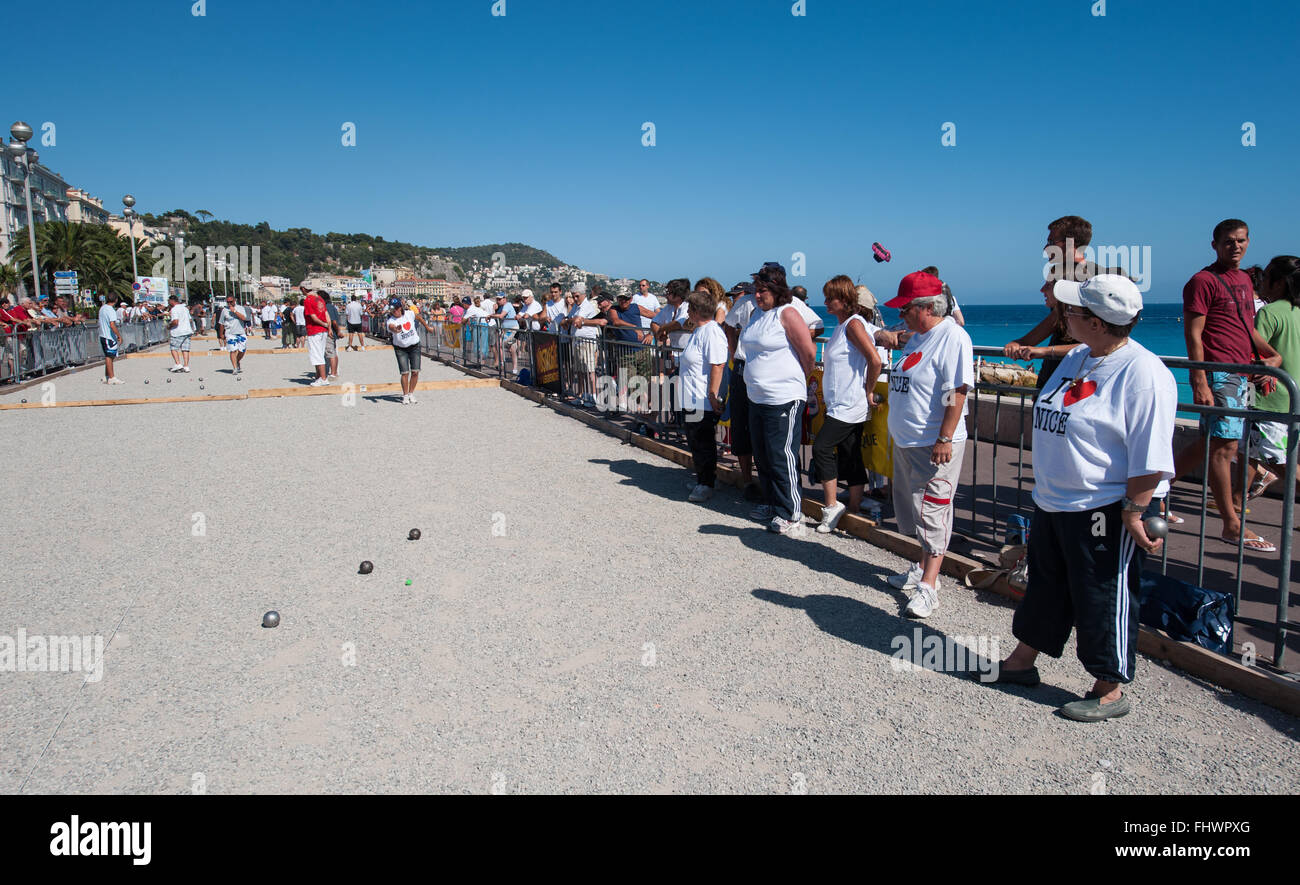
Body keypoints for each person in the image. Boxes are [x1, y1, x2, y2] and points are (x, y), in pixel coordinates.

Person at [985, 275, 1177, 722]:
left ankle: (1109, 686)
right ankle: (1021, 661)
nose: (1062, 315)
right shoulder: (1077, 355)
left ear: (1094, 321)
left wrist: (1135, 510)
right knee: (1047, 583)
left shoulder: (1144, 374)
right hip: (1055, 499)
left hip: (1104, 504)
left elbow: (1151, 454)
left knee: (1101, 593)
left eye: (1069, 311)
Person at [1171, 219, 1281, 551]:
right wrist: (1199, 379)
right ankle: (1232, 524)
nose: (1236, 246)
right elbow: (1193, 334)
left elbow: (1246, 327)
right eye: (1229, 241)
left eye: (1242, 241)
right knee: (1225, 447)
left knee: (1211, 442)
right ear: (1215, 244)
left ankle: (1153, 491)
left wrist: (1270, 356)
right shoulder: (1202, 281)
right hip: (1219, 373)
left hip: (1242, 372)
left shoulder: (1245, 280)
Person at [882, 271, 974, 618]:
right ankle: (921, 569)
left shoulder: (952, 338)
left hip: (934, 442)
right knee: (915, 511)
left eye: (905, 309)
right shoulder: (918, 337)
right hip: (908, 441)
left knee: (933, 512)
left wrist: (945, 437)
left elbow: (957, 391)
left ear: (926, 307)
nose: (901, 315)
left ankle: (930, 586)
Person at [739, 263, 817, 535]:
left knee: (781, 455)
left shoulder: (787, 313)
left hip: (783, 398)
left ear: (775, 289)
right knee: (763, 454)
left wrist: (795, 381)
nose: (757, 296)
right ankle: (773, 504)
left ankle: (792, 513)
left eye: (762, 291)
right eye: (755, 291)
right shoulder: (756, 316)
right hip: (756, 397)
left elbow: (809, 353)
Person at [813, 276, 884, 533]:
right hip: (843, 403)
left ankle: (832, 506)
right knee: (850, 453)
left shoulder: (853, 324)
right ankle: (853, 507)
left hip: (848, 403)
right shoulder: (846, 325)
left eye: (830, 298)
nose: (825, 303)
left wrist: (868, 390)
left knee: (822, 448)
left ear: (843, 300)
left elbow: (875, 360)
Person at [1003, 217, 1096, 389]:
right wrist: (1020, 342)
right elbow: (1054, 322)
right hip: (1056, 381)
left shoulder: (1088, 281)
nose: (1046, 248)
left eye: (1051, 241)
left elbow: (1095, 343)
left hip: (1071, 384)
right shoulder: (1065, 275)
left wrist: (1042, 351)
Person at [1238, 256, 1300, 505]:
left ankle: (1235, 502)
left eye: (1268, 276)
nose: (1262, 282)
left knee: (1280, 463)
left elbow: (1251, 352)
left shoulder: (1269, 313)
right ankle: (1235, 501)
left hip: (1269, 398)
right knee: (1250, 453)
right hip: (1294, 398)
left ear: (1279, 283)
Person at [679, 289, 728, 503]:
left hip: (702, 399)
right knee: (695, 440)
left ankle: (706, 483)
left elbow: (717, 365)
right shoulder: (699, 331)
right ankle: (704, 478)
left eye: (690, 308)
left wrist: (713, 394)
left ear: (697, 311)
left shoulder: (712, 332)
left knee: (703, 442)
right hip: (691, 397)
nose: (687, 311)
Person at [723, 281, 761, 499]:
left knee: (763, 427)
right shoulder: (745, 303)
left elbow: (816, 326)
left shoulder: (785, 305)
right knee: (741, 425)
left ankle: (765, 482)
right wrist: (734, 350)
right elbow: (729, 327)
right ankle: (748, 481)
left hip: (763, 371)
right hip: (743, 366)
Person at [386, 296, 434, 404]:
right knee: (404, 373)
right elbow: (391, 327)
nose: (394, 311)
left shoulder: (409, 313)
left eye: (396, 309)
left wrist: (427, 327)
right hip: (400, 349)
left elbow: (419, 317)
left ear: (400, 308)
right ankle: (405, 395)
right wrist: (396, 329)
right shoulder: (390, 320)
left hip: (414, 346)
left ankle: (411, 393)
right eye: (392, 310)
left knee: (415, 372)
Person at [562, 283, 603, 406]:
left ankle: (593, 395)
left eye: (577, 296)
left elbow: (576, 320)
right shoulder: (576, 307)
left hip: (587, 341)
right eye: (573, 296)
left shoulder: (586, 306)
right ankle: (581, 394)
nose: (574, 299)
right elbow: (568, 319)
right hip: (577, 341)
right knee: (580, 371)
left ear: (583, 295)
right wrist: (569, 320)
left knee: (590, 370)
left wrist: (569, 321)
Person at [303, 288, 331, 386]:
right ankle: (320, 377)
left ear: (304, 289)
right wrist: (328, 327)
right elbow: (327, 314)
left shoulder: (308, 300)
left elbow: (313, 317)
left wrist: (324, 324)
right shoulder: (320, 299)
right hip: (323, 331)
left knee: (316, 355)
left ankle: (323, 378)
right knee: (320, 353)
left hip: (314, 329)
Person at [98, 293, 125, 384]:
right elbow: (112, 325)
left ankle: (107, 375)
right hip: (108, 337)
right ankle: (112, 377)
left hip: (103, 335)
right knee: (110, 356)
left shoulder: (102, 308)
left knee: (109, 356)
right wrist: (119, 336)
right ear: (116, 300)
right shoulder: (110, 310)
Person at [219, 294, 250, 374]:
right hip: (230, 333)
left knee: (242, 350)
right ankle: (235, 368)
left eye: (231, 302)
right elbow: (221, 323)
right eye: (228, 302)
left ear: (234, 301)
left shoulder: (240, 308)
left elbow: (244, 318)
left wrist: (235, 311)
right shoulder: (224, 310)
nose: (229, 304)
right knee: (232, 350)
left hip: (240, 332)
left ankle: (237, 360)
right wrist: (221, 334)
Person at [167, 294, 195, 373]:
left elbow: (175, 321)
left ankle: (178, 364)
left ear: (172, 301)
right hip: (187, 331)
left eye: (169, 301)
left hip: (178, 332)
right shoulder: (185, 308)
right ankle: (186, 366)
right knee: (185, 349)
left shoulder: (174, 309)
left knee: (173, 348)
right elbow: (190, 320)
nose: (169, 303)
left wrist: (169, 326)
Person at [323, 293, 343, 378]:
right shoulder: (331, 306)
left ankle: (333, 373)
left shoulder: (328, 307)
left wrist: (338, 331)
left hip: (330, 333)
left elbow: (333, 321)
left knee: (331, 353)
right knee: (333, 352)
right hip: (332, 332)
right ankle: (334, 372)